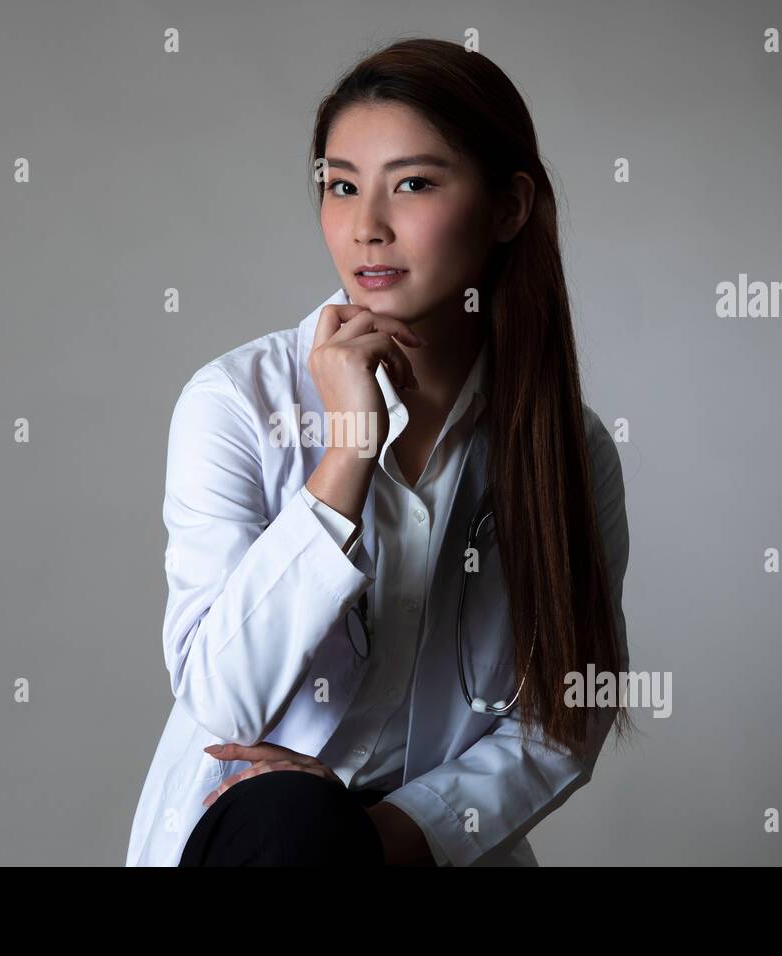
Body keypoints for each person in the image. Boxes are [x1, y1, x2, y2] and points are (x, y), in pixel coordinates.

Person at [127, 36, 633, 867]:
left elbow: (561, 720)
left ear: (508, 208)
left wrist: (384, 835)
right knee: (293, 820)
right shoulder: (236, 405)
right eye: (340, 186)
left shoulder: (569, 449)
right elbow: (221, 703)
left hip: (424, 853)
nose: (366, 227)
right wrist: (346, 458)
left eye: (414, 184)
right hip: (256, 846)